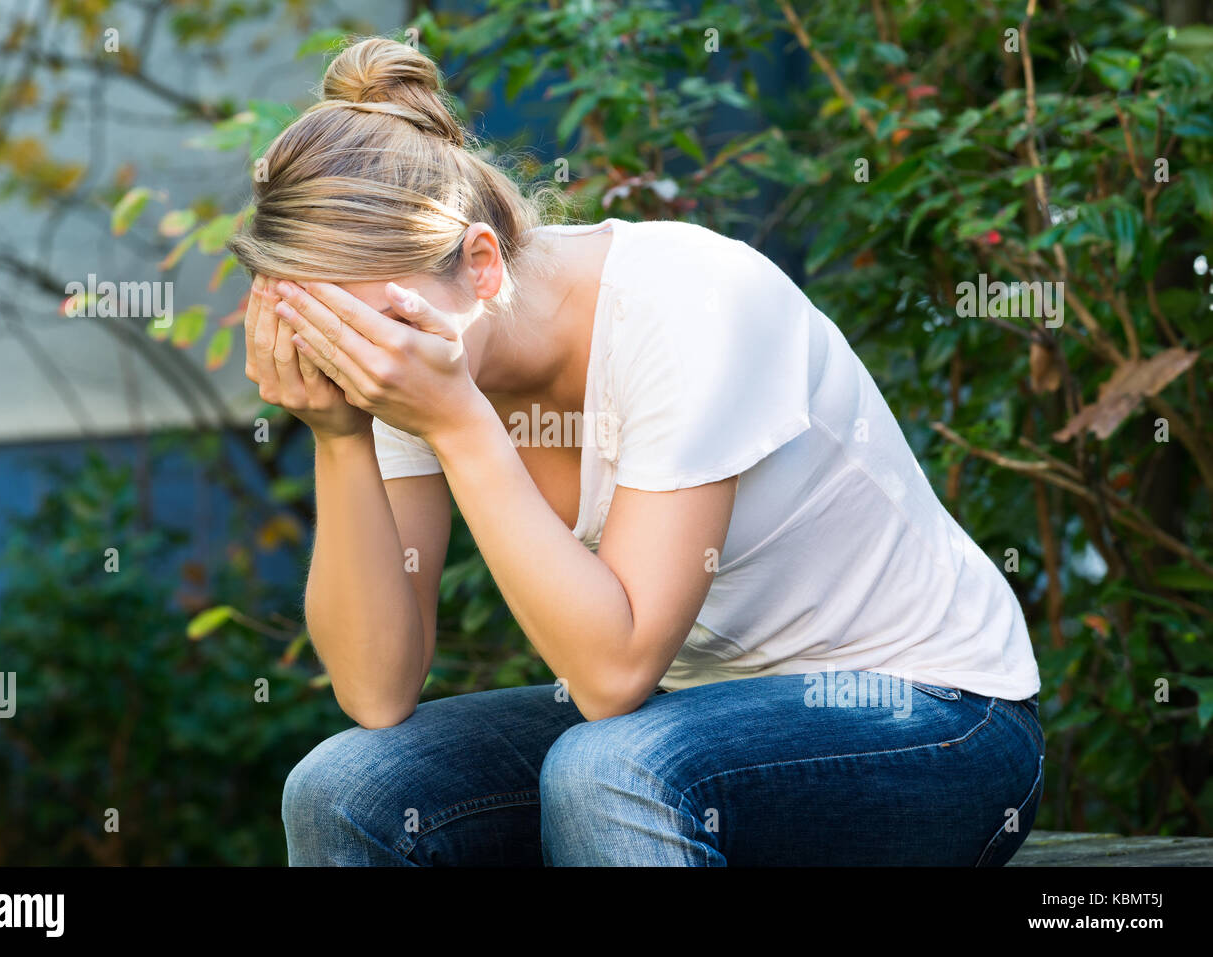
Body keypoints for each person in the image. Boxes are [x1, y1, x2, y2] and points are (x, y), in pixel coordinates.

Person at [227, 35, 1043, 866]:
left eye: (370, 334)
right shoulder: (416, 352)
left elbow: (612, 674)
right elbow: (376, 689)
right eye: (330, 339)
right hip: (687, 713)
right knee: (345, 787)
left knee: (609, 771)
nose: (362, 363)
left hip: (940, 718)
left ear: (479, 264)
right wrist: (339, 435)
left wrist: (460, 424)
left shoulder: (686, 304)